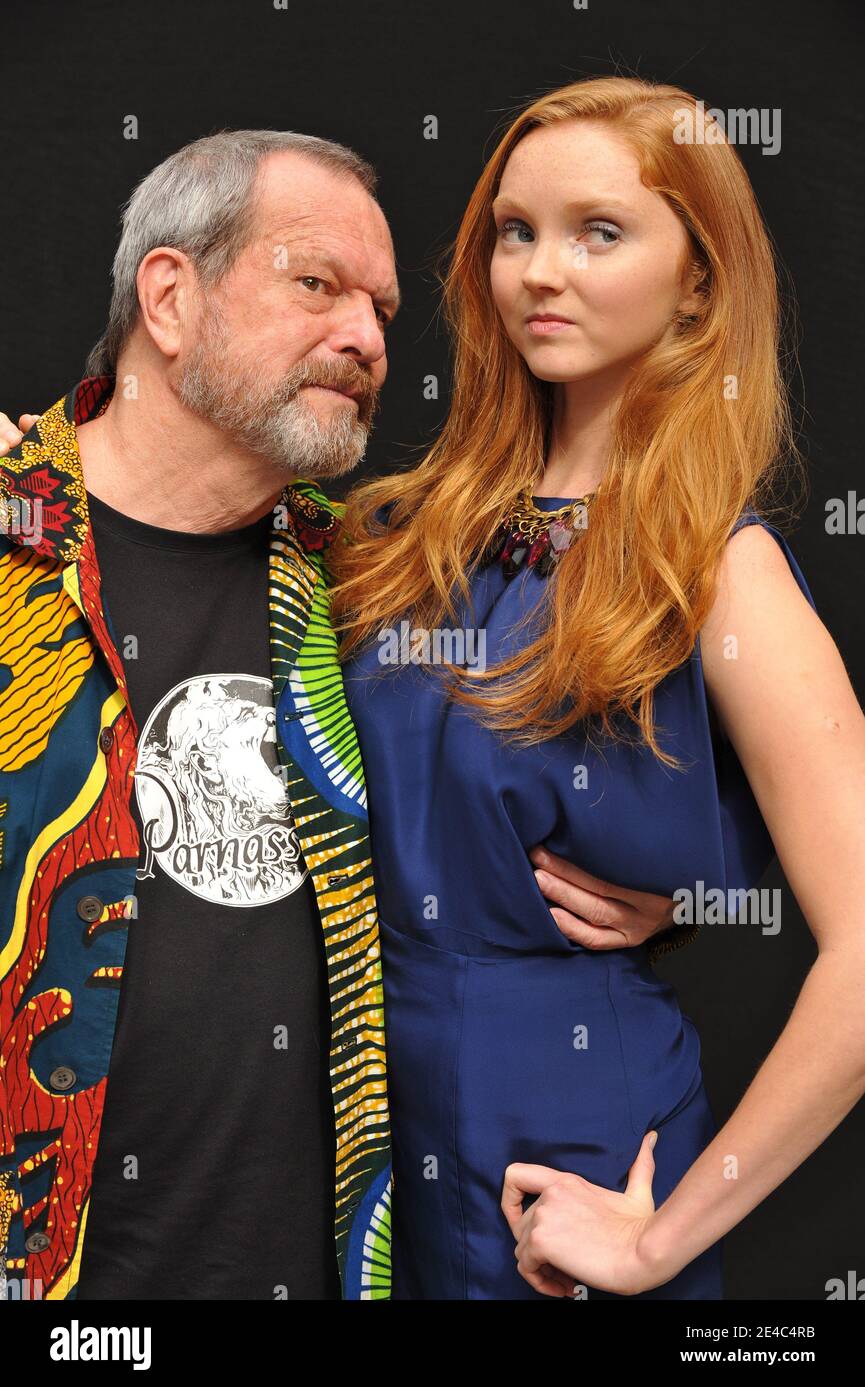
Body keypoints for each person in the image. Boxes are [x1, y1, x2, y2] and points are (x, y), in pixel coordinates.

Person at [0, 124, 675, 1303]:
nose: (366, 339)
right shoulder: (13, 546)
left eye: (377, 306)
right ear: (170, 295)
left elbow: (542, 764)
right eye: (316, 284)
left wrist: (665, 883)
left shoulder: (374, 580)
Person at [326, 76, 865, 1299]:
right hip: (361, 1137)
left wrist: (655, 1238)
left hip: (567, 1164)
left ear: (698, 279)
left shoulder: (720, 573)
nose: (538, 271)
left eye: (598, 232)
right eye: (515, 231)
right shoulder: (406, 535)